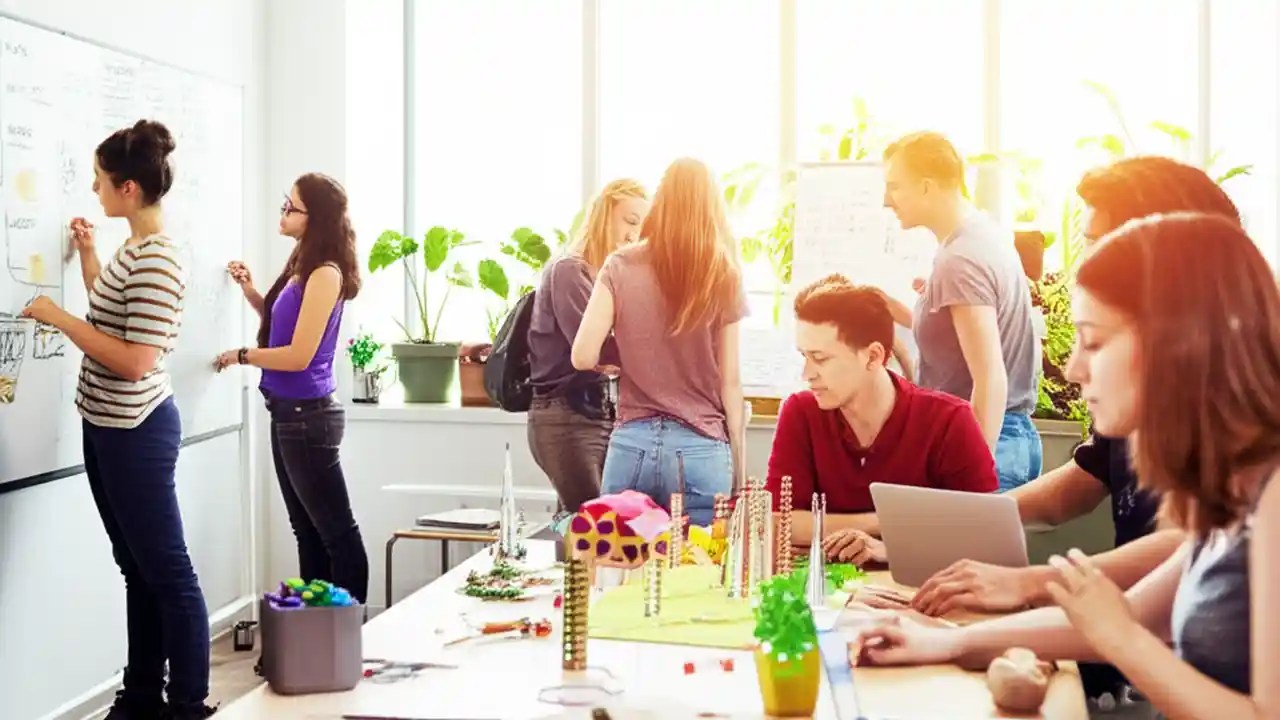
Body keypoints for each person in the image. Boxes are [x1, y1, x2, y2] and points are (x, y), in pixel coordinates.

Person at [854, 212, 1280, 720]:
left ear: (1179, 343)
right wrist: (945, 641)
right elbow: (1133, 616)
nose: (1075, 368)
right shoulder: (1227, 494)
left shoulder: (1273, 493)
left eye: (1094, 342)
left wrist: (1119, 638)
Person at [912, 157, 1244, 618]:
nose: (1072, 371)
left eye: (1096, 243)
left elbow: (1188, 548)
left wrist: (1027, 583)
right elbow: (1085, 485)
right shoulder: (1143, 383)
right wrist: (945, 526)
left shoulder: (1240, 397)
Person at [22, 120, 214, 719]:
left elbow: (134, 361)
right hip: (106, 426)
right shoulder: (134, 249)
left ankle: (186, 704)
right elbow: (113, 309)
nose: (95, 191)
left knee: (168, 572)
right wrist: (87, 256)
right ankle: (140, 696)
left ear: (129, 188)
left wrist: (58, 317)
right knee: (136, 568)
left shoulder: (160, 260)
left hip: (137, 431)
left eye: (101, 182)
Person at [765, 274, 997, 564]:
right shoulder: (800, 412)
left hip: (921, 594)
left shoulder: (949, 421)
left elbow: (983, 533)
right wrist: (886, 521)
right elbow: (777, 523)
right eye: (804, 356)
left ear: (873, 357)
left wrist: (887, 549)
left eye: (821, 359)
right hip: (827, 594)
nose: (807, 374)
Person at [216, 173, 368, 605]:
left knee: (336, 533)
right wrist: (249, 291)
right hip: (287, 413)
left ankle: (348, 634)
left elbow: (298, 354)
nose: (282, 212)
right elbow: (282, 326)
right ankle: (315, 635)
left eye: (291, 206)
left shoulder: (324, 273)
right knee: (307, 532)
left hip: (308, 417)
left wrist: (242, 355)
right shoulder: (303, 265)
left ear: (314, 217)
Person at [571, 158, 746, 527]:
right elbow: (730, 383)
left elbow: (582, 355)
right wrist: (740, 470)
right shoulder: (723, 272)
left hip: (631, 444)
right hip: (702, 446)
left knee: (617, 574)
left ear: (661, 203)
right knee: (699, 576)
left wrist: (620, 360)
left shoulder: (620, 264)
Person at [880, 131, 1040, 490]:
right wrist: (903, 312)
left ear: (925, 187)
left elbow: (990, 378)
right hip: (1009, 437)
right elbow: (966, 334)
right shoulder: (982, 234)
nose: (886, 200)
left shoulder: (961, 259)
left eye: (894, 187)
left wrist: (973, 472)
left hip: (990, 439)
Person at [527, 179, 647, 513]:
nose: (634, 234)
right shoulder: (570, 270)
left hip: (592, 414)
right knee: (594, 524)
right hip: (566, 417)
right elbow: (595, 351)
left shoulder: (601, 276)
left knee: (587, 524)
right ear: (604, 215)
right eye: (630, 220)